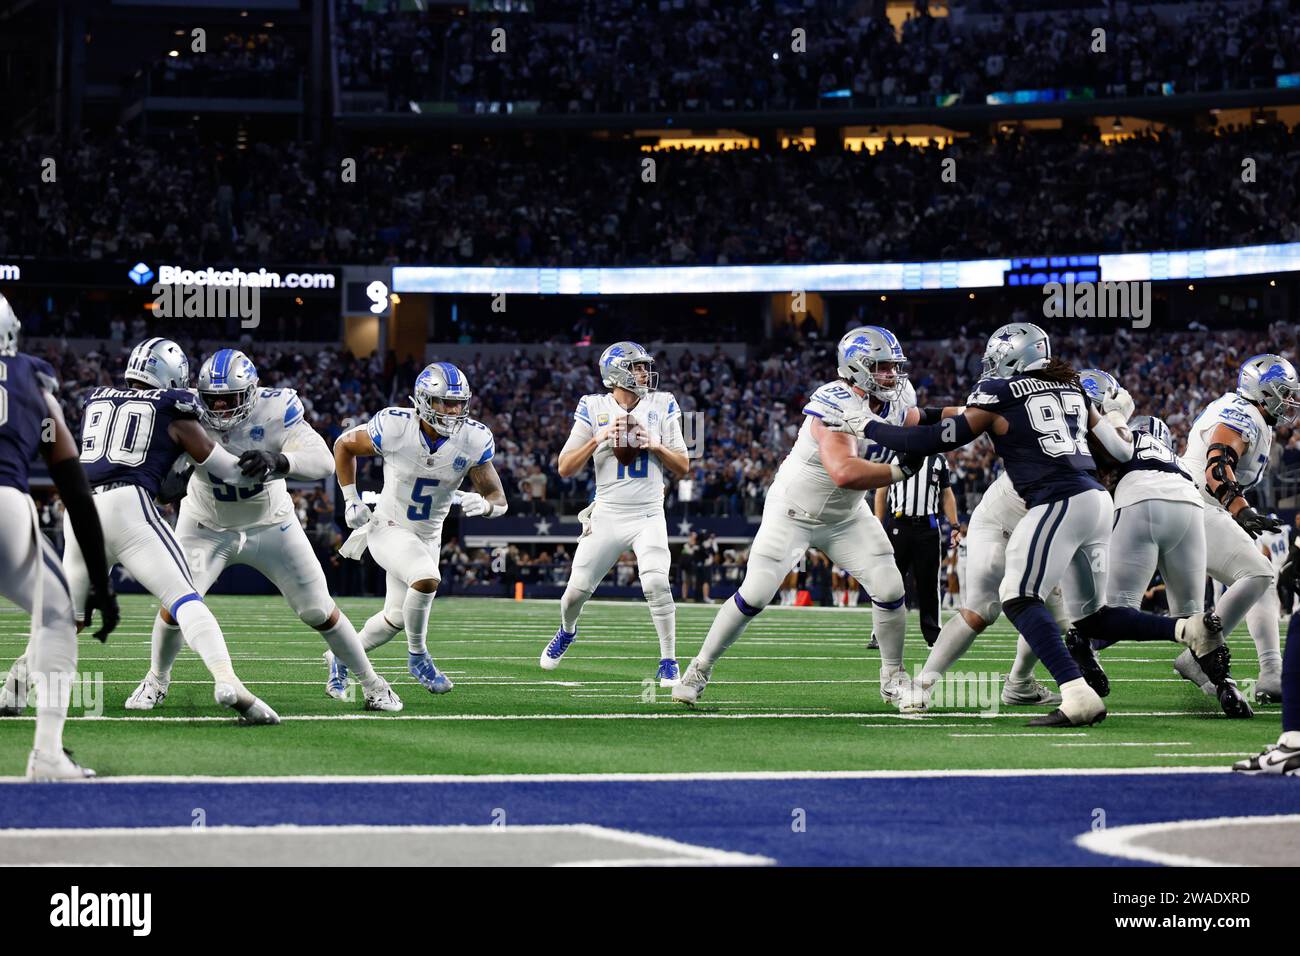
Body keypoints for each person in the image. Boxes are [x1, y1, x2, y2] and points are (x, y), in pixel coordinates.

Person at [830, 322, 1234, 727]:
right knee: (1091, 617)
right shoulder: (1073, 387)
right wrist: (1113, 415)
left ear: (1012, 357)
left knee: (1019, 598)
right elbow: (1121, 448)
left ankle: (1075, 695)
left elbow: (936, 439)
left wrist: (865, 424)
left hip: (1056, 500)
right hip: (1094, 501)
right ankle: (1187, 628)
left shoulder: (1000, 392)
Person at [123, 349, 400, 714]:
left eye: (229, 398)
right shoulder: (186, 411)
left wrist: (280, 461)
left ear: (252, 392)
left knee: (319, 610)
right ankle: (156, 680)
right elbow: (163, 476)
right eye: (213, 399)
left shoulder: (275, 408)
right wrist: (171, 478)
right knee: (175, 605)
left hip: (272, 525)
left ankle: (372, 682)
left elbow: (322, 461)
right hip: (205, 525)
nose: (220, 408)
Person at [673, 327, 922, 706]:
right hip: (793, 512)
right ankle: (699, 668)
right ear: (855, 368)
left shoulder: (901, 396)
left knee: (890, 589)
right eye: (881, 367)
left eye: (893, 366)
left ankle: (893, 677)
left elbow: (920, 421)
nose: (891, 375)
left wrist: (965, 423)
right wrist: (901, 471)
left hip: (846, 516)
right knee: (754, 594)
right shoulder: (832, 402)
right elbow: (845, 472)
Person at [334, 361, 507, 695]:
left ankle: (339, 657)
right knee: (427, 579)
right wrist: (350, 499)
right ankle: (418, 656)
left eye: (459, 402)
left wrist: (486, 506)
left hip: (429, 535)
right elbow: (344, 445)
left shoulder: (473, 438)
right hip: (388, 525)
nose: (454, 410)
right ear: (424, 400)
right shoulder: (395, 426)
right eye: (445, 402)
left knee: (395, 618)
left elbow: (498, 497)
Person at [0, 294, 119, 779]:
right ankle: (47, 754)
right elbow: (76, 491)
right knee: (55, 614)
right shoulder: (33, 381)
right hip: (3, 504)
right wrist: (101, 583)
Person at [543, 342, 689, 686]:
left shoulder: (663, 402)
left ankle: (669, 659)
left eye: (643, 366)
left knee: (656, 582)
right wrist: (599, 438)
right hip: (608, 512)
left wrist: (654, 443)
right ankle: (567, 631)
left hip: (649, 514)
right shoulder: (593, 406)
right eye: (637, 367)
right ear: (616, 373)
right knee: (575, 593)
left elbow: (682, 466)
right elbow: (564, 467)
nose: (643, 373)